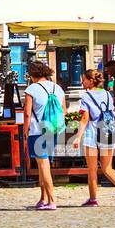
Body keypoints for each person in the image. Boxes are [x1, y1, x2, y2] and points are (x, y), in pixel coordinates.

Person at [75, 69, 115, 207]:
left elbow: (85, 118)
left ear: (91, 80)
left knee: (92, 169)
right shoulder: (107, 94)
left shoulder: (86, 97)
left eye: (84, 79)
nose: (82, 82)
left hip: (92, 133)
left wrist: (77, 137)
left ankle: (93, 200)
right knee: (107, 168)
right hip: (108, 131)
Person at [23, 60, 66, 211]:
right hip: (52, 130)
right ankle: (43, 198)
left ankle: (52, 200)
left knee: (43, 165)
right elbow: (63, 111)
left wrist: (25, 132)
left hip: (37, 131)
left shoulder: (31, 89)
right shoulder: (58, 88)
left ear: (32, 74)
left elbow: (27, 113)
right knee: (43, 165)